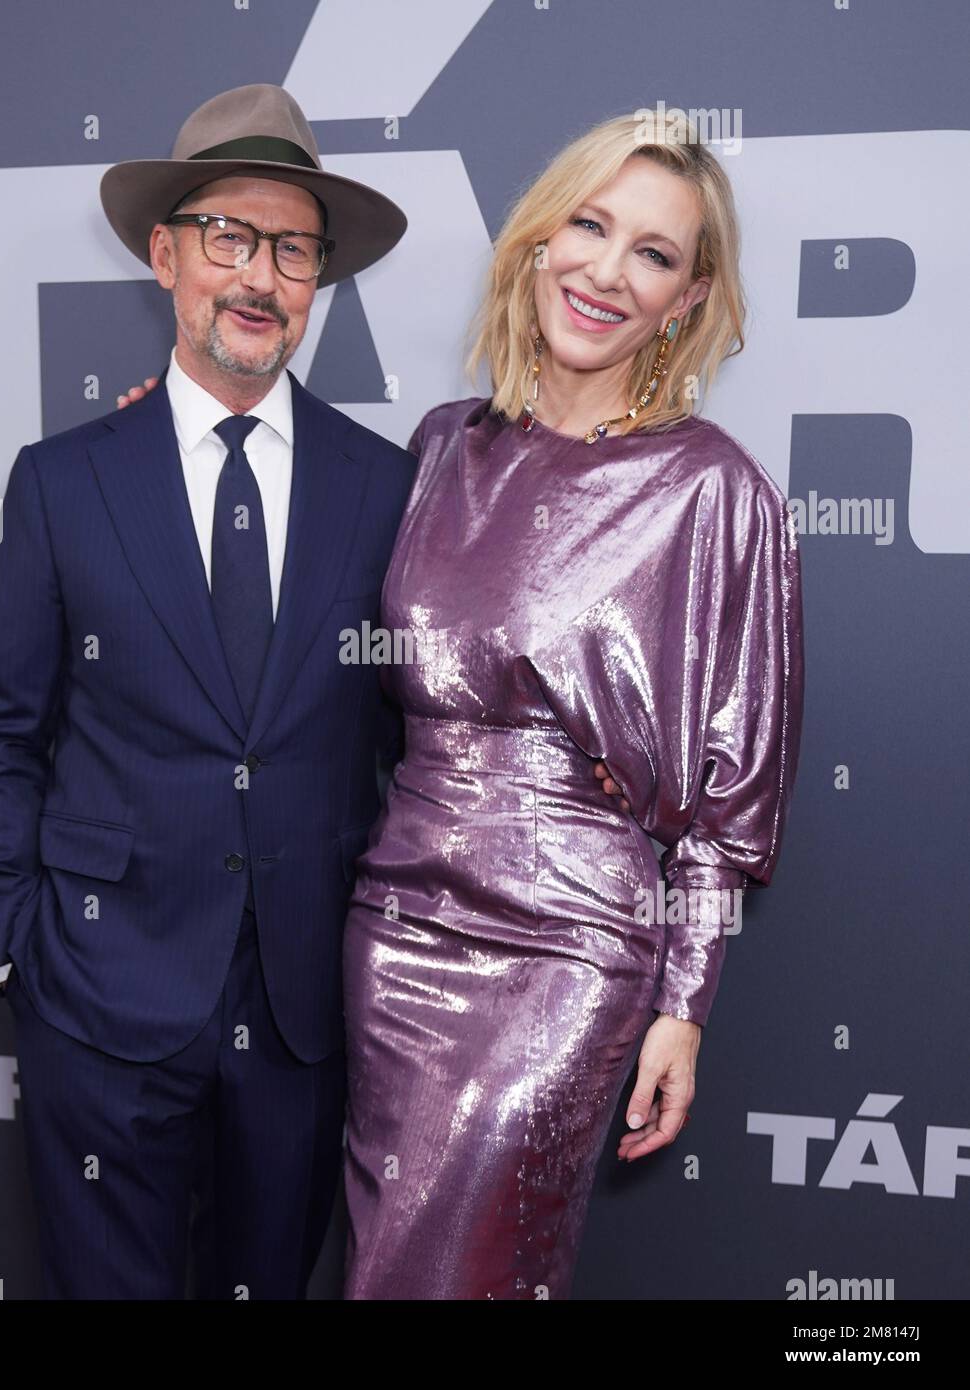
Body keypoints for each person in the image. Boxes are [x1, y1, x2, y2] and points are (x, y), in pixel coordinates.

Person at [0, 83, 418, 1299]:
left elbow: (409, 741)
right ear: (165, 254)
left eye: (293, 247)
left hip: (304, 1013)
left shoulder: (387, 488)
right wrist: (10, 947)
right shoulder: (63, 482)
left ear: (318, 277)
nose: (259, 276)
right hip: (99, 1003)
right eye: (229, 236)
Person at [340, 112, 804, 1298]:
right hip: (390, 929)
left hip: (563, 951)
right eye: (587, 225)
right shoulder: (441, 447)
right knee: (379, 1260)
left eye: (651, 253)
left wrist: (682, 1007)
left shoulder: (712, 492)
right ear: (536, 241)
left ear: (687, 300)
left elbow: (724, 799)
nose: (605, 270)